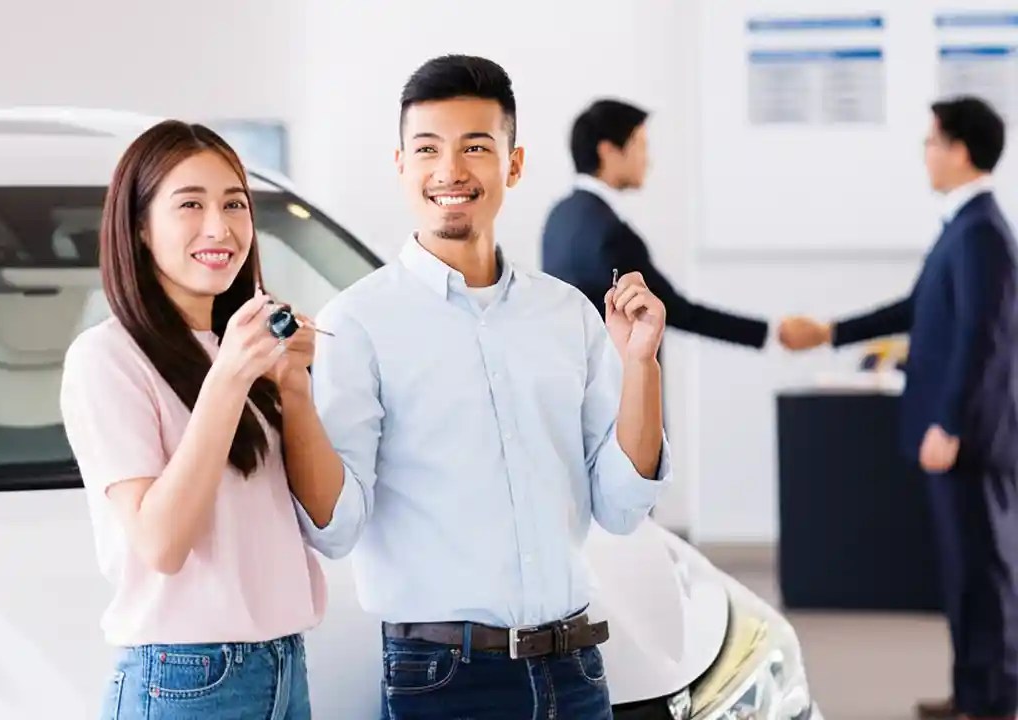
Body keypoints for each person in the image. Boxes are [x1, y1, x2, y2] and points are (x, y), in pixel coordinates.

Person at [292, 55, 672, 719]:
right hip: (441, 680)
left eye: (475, 147)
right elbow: (337, 526)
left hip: (576, 670)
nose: (450, 171)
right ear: (401, 165)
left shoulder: (567, 315)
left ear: (513, 164)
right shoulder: (357, 323)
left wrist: (641, 364)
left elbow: (621, 505)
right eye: (428, 149)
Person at [59, 120, 343, 720]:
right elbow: (161, 544)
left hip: (284, 666)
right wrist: (230, 379)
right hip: (185, 677)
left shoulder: (244, 346)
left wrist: (293, 385)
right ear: (139, 227)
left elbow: (323, 511)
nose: (220, 227)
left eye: (234, 204)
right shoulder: (106, 358)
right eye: (190, 204)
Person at [781, 96, 1018, 720]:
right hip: (955, 433)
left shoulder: (983, 231)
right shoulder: (962, 227)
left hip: (966, 437)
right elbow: (918, 310)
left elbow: (984, 339)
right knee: (962, 575)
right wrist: (830, 330)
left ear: (961, 150)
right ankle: (974, 693)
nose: (925, 153)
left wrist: (952, 423)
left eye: (932, 141)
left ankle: (993, 702)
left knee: (985, 578)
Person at [542, 98, 772, 350]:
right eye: (640, 146)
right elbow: (675, 310)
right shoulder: (611, 233)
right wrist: (770, 333)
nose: (648, 161)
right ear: (608, 151)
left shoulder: (559, 217)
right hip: (622, 383)